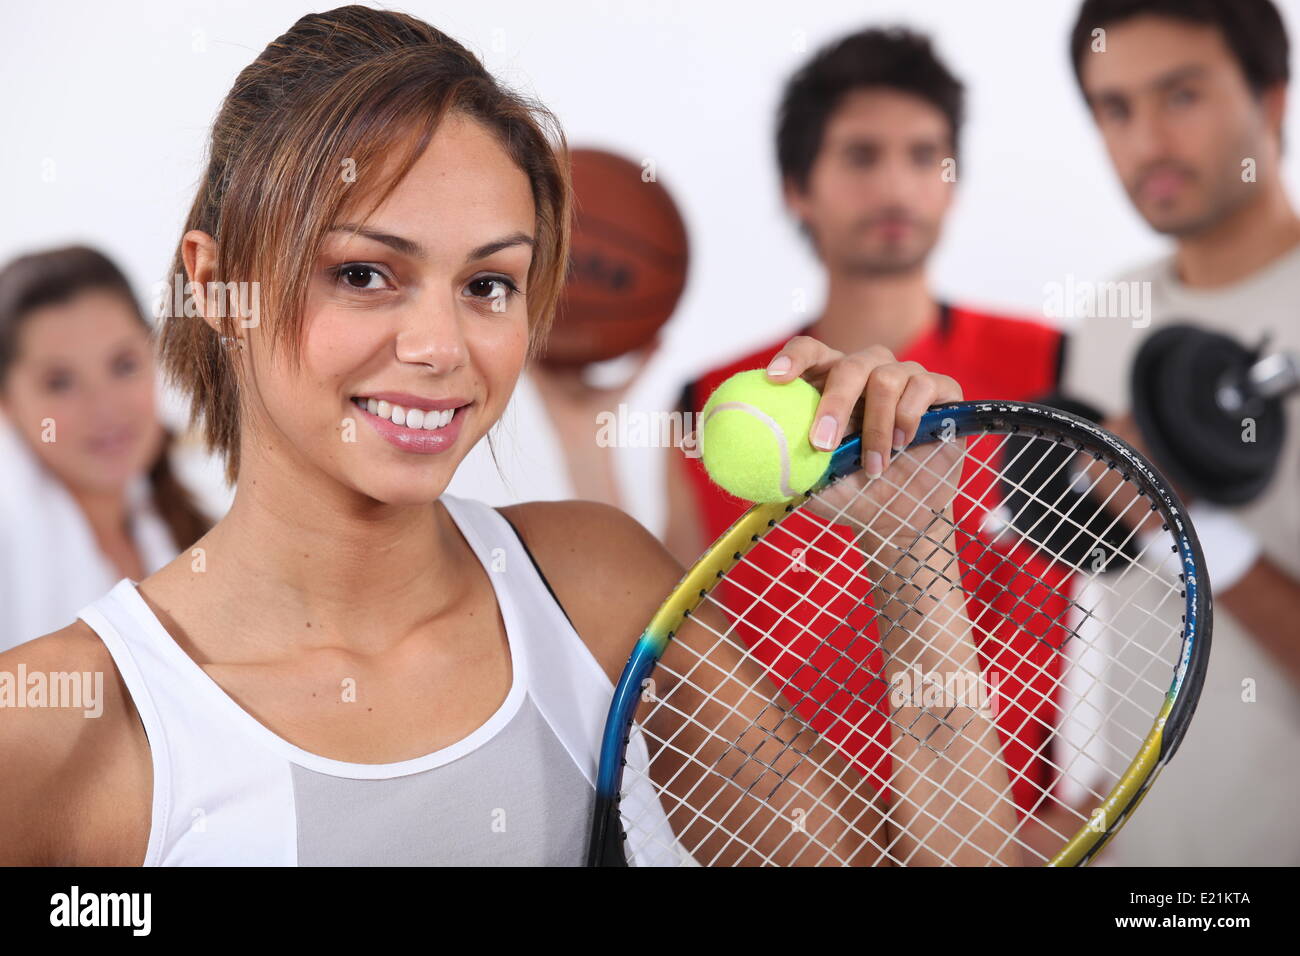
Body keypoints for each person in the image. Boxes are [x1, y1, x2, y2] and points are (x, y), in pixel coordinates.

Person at [0, 5, 987, 866]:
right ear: (216, 284)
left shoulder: (593, 590)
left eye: (487, 284)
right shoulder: (55, 722)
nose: (439, 347)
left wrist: (912, 548)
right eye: (362, 272)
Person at [1066, 0, 1300, 864]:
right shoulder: (1110, 314)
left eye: (1182, 95)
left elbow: (1163, 533)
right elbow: (1121, 619)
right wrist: (1088, 811)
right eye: (1115, 108)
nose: (1147, 141)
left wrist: (1187, 521)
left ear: (1272, 98)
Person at [0, 246, 210, 652]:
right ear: (7, 403)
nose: (104, 408)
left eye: (124, 365)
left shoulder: (194, 526)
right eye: (59, 382)